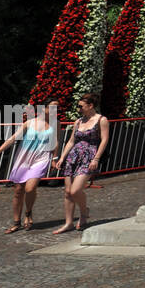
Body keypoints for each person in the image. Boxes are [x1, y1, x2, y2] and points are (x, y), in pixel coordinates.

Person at [0, 102, 57, 232]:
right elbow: (12, 139)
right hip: (24, 158)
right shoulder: (29, 123)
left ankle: (28, 213)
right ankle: (16, 222)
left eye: (57, 107)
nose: (54, 109)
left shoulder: (55, 123)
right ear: (43, 108)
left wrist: (54, 159)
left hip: (41, 158)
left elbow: (55, 142)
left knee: (30, 188)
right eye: (51, 107)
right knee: (18, 190)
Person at [50, 93, 109, 234]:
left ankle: (84, 213)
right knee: (68, 192)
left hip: (89, 156)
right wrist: (62, 157)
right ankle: (68, 222)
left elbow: (104, 140)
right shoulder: (78, 122)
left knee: (76, 190)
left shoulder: (101, 120)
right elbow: (71, 141)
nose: (79, 109)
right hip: (74, 156)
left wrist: (96, 158)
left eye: (81, 106)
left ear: (90, 106)